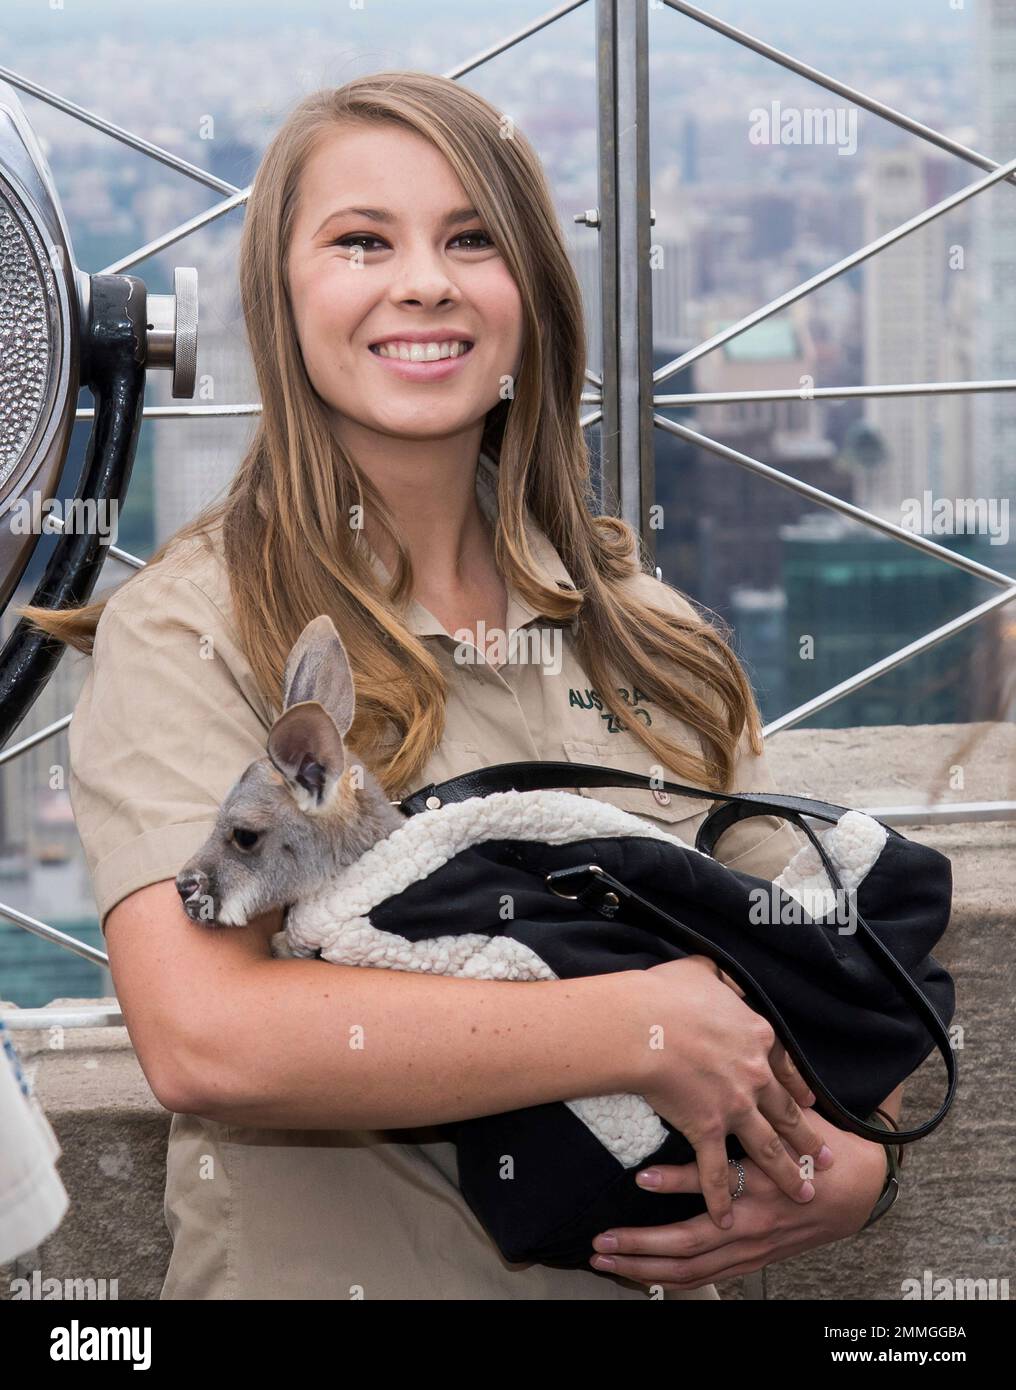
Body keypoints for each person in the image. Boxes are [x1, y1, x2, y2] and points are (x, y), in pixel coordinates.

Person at [18, 72, 901, 1300]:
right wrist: (642, 1025)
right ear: (282, 299)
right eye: (361, 241)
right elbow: (208, 1040)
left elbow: (813, 968)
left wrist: (857, 1155)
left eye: (471, 238)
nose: (423, 281)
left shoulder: (654, 639)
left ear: (531, 293)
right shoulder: (192, 630)